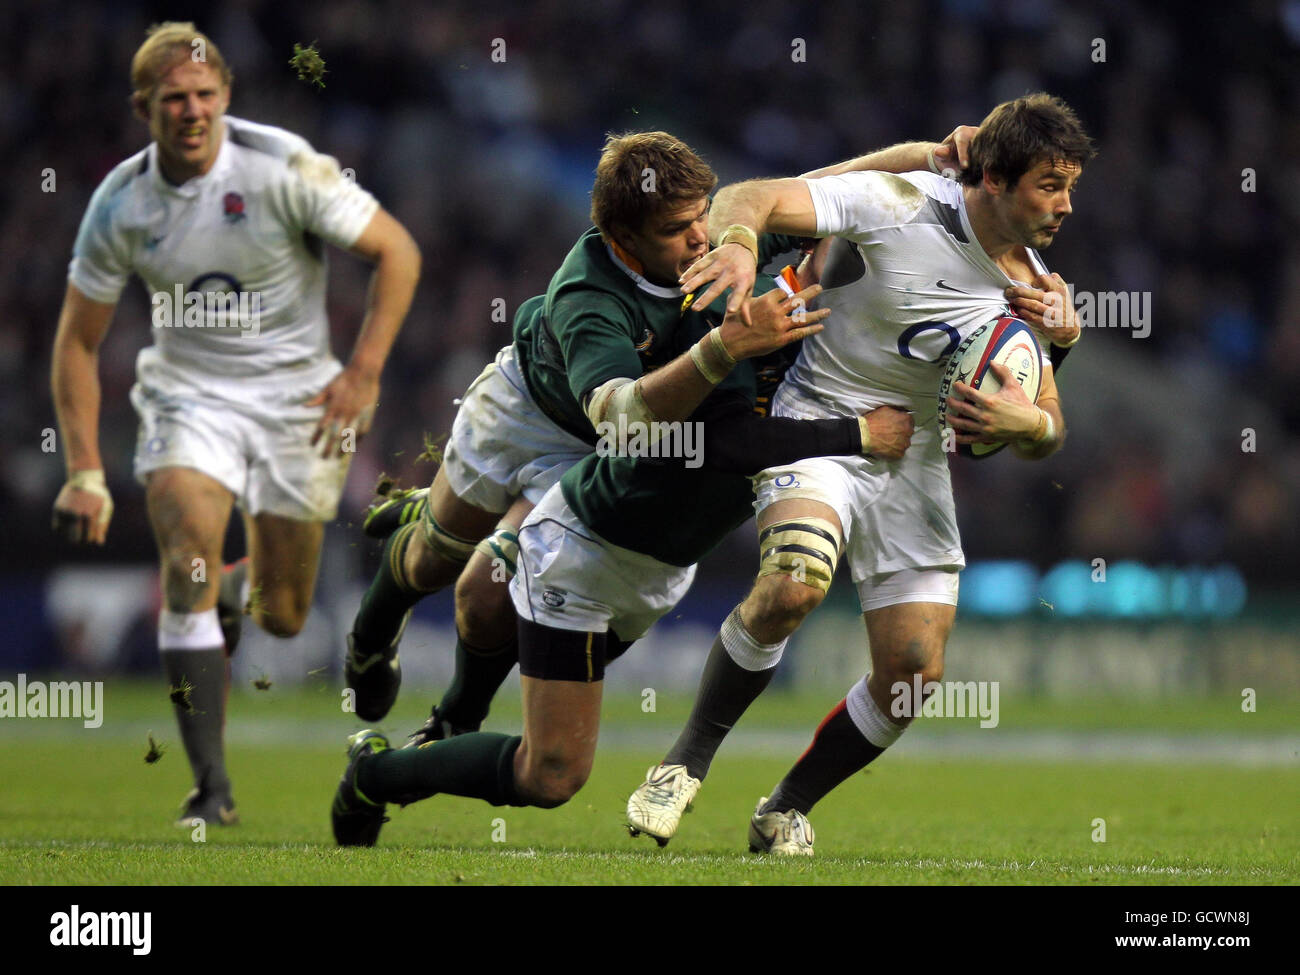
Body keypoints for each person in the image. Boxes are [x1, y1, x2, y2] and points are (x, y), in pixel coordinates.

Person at [349, 127, 979, 751]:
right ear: (623, 240)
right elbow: (620, 417)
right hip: (531, 411)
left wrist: (932, 155)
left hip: (597, 454)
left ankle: (457, 716)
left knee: (486, 590)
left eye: (702, 217)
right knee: (433, 554)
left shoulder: (713, 240)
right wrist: (725, 345)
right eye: (678, 230)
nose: (701, 237)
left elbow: (847, 184)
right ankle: (371, 636)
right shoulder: (589, 294)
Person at [625, 92, 1094, 854]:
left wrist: (1029, 423)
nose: (1067, 205)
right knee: (792, 584)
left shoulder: (1034, 288)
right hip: (824, 421)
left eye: (1072, 186)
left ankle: (785, 806)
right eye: (1051, 184)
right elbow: (752, 195)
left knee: (912, 673)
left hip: (913, 456)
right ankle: (684, 762)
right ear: (997, 180)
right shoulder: (900, 203)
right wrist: (742, 243)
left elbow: (1049, 424)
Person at [329, 280, 916, 844]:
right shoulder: (742, 304)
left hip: (657, 573)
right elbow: (723, 442)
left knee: (538, 729)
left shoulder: (846, 356)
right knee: (543, 747)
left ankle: (426, 733)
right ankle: (386, 762)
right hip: (584, 543)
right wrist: (858, 434)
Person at [50, 22, 421, 826]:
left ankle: (233, 590)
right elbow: (77, 342)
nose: (191, 111)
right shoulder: (119, 202)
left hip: (298, 401)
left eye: (204, 96)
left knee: (285, 615)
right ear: (143, 106)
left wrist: (362, 372)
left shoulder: (280, 164)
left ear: (225, 97)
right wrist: (83, 466)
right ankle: (210, 785)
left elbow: (397, 250)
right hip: (188, 398)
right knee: (185, 555)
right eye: (173, 99)